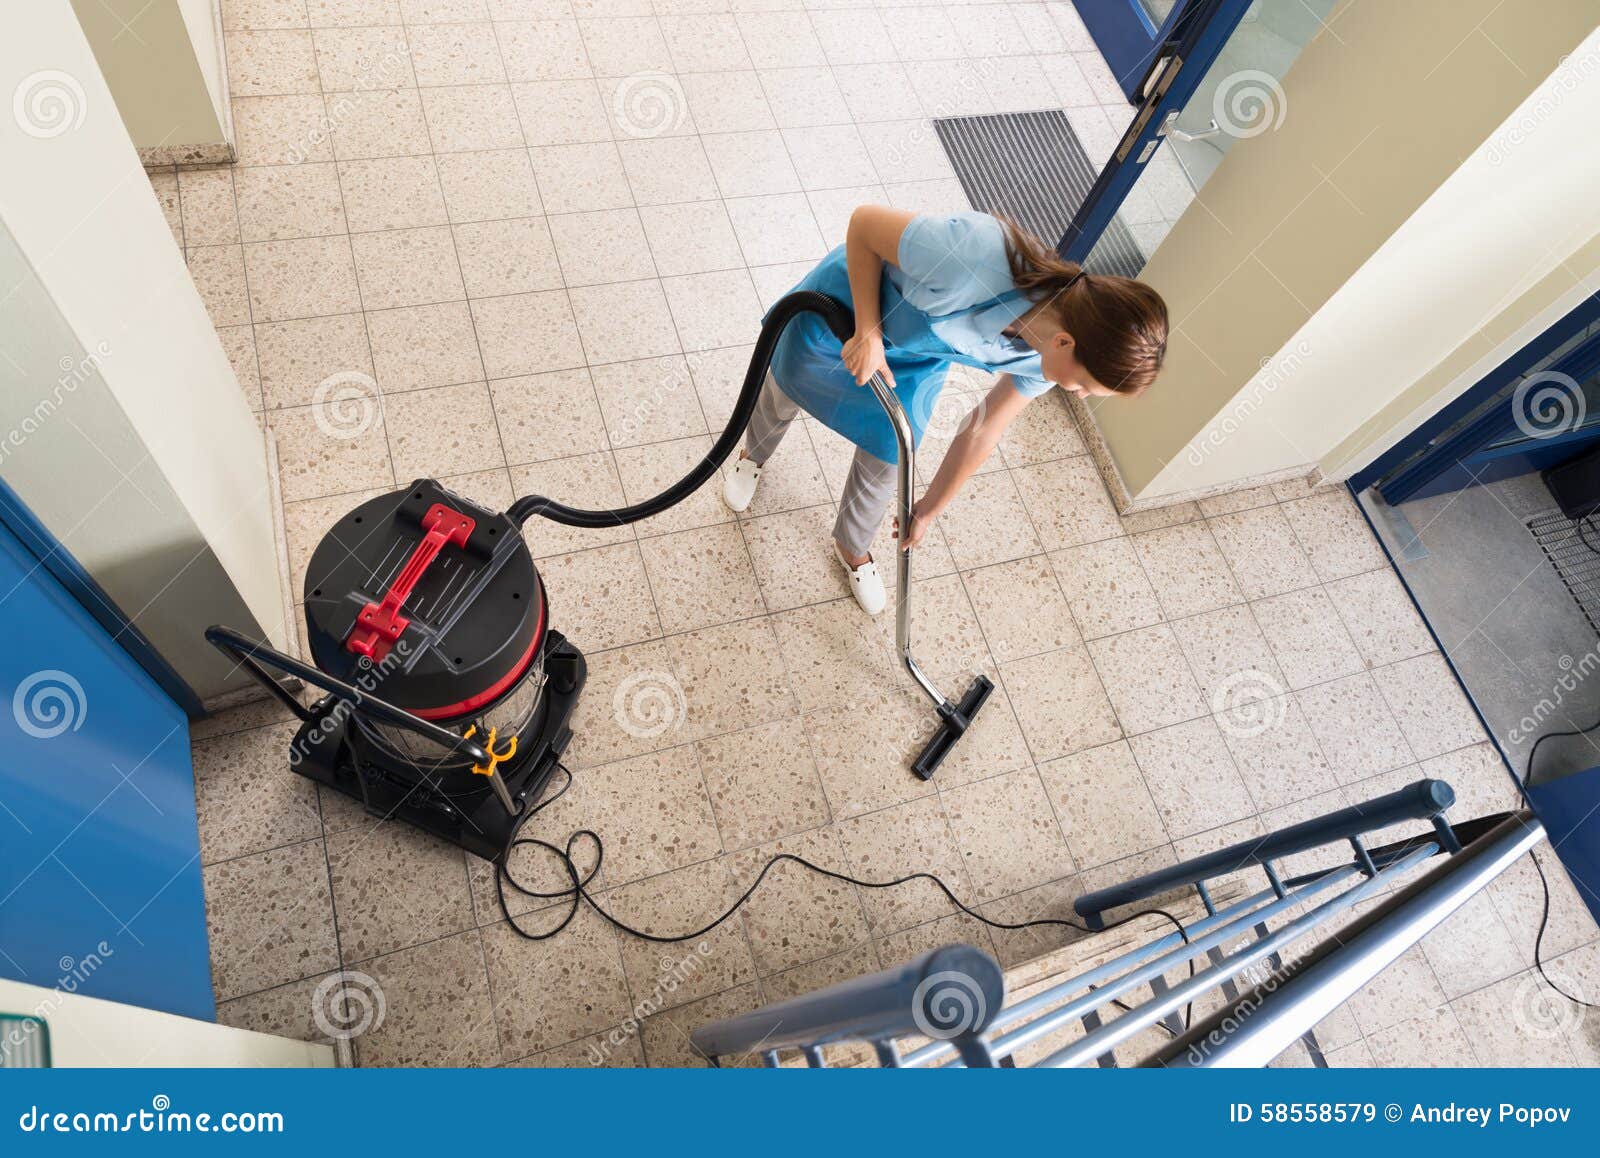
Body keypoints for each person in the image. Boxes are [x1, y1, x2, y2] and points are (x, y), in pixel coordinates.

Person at [723, 206, 1170, 615]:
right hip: (846, 311)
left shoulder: (1044, 358)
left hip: (918, 353)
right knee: (786, 385)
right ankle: (752, 458)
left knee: (893, 446)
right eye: (1086, 384)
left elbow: (984, 428)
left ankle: (851, 545)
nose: (1080, 395)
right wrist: (868, 332)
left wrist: (930, 507)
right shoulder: (975, 254)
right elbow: (863, 226)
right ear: (1066, 343)